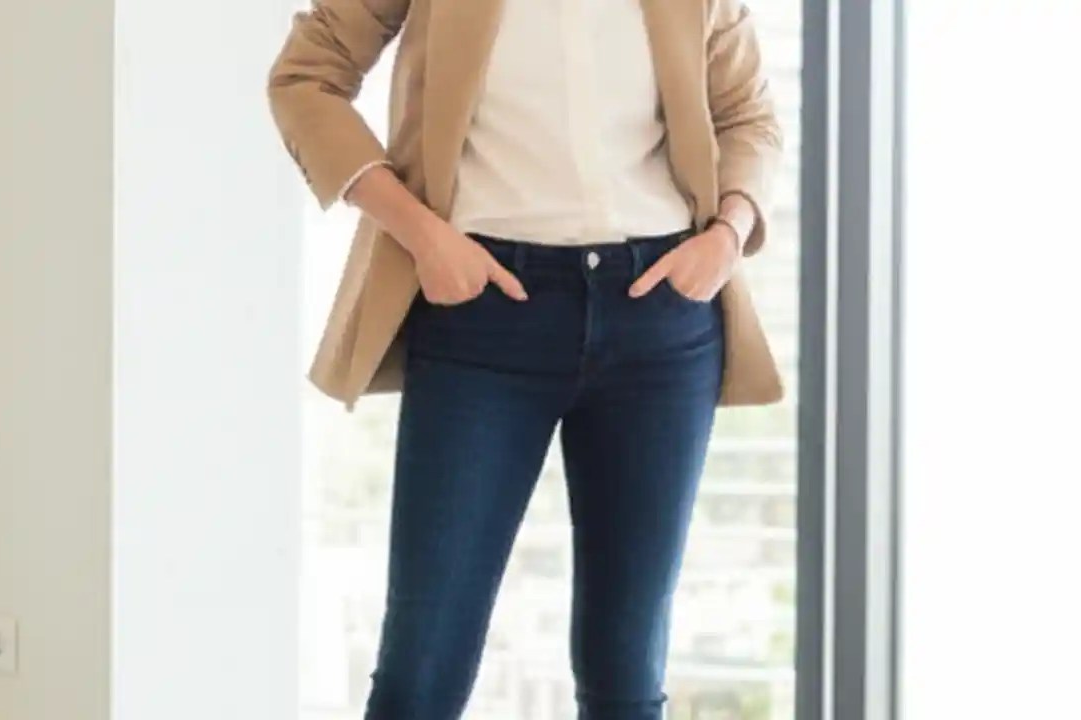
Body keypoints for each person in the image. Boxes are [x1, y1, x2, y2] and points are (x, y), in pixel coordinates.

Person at [267, 0, 784, 716]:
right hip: (482, 315)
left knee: (626, 673)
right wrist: (422, 235)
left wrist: (727, 235)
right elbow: (307, 79)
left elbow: (747, 114)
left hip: (659, 321)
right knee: (424, 667)